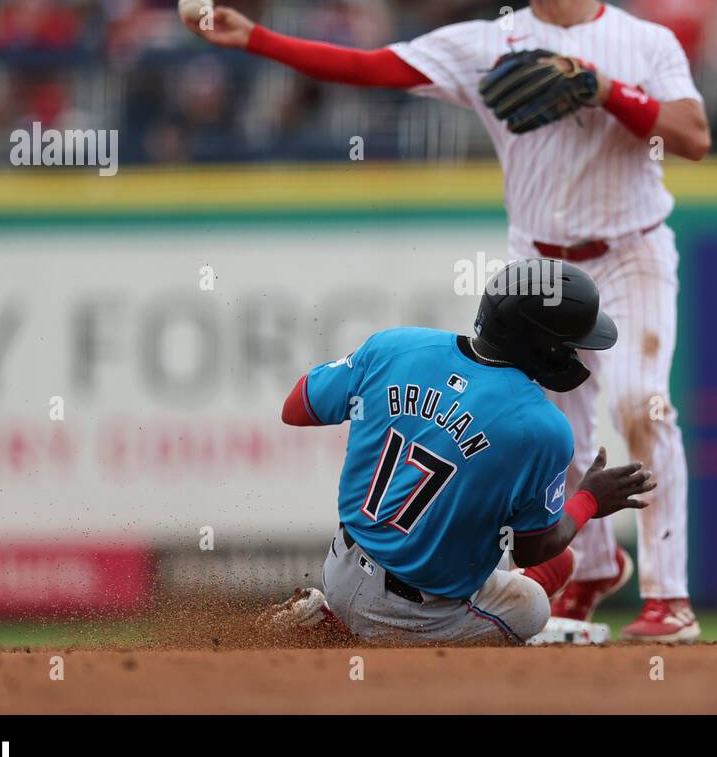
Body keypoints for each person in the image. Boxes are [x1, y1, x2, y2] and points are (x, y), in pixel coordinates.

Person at [186, 0, 709, 642]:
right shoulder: (488, 44)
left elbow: (692, 136)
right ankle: (592, 569)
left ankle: (670, 600)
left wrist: (604, 90)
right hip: (537, 261)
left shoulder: (644, 41)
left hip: (630, 250)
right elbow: (373, 68)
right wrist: (259, 40)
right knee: (551, 437)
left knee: (641, 406)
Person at [272, 260, 656, 645]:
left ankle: (335, 615)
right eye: (572, 344)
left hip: (340, 566)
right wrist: (589, 499)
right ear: (545, 347)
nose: (578, 353)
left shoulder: (394, 346)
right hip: (414, 611)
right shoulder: (543, 426)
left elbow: (295, 409)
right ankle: (348, 634)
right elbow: (531, 548)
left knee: (561, 563)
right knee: (534, 606)